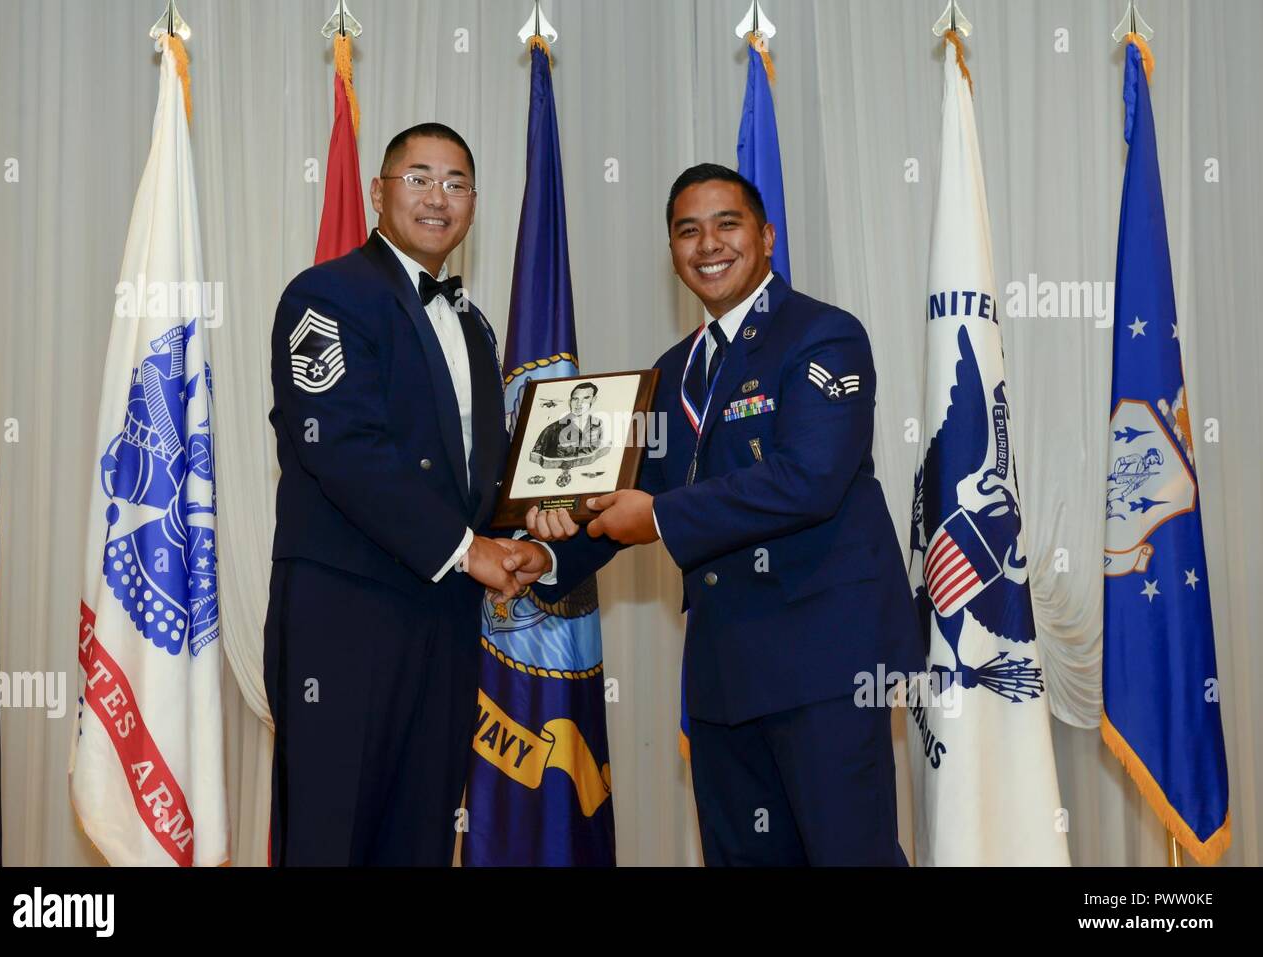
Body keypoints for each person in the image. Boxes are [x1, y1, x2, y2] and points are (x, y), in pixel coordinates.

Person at [503, 164, 924, 865]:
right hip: (724, 674)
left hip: (822, 661)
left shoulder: (824, 335)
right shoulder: (669, 373)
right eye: (687, 230)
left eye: (726, 224)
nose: (707, 244)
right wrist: (542, 554)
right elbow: (619, 502)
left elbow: (808, 480)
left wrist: (660, 516)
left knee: (850, 854)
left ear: (765, 236)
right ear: (672, 251)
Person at [264, 122, 548, 865]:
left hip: (445, 620)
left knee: (421, 834)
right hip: (345, 616)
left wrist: (538, 526)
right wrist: (470, 548)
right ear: (378, 192)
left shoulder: (475, 327)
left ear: (475, 204)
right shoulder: (325, 296)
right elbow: (345, 450)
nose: (437, 196)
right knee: (332, 835)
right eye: (418, 177)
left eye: (456, 183)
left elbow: (478, 477)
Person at [529, 381, 609, 468]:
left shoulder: (598, 425)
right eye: (575, 399)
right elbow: (535, 462)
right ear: (569, 402)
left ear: (593, 400)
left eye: (586, 398)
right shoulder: (552, 430)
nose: (579, 403)